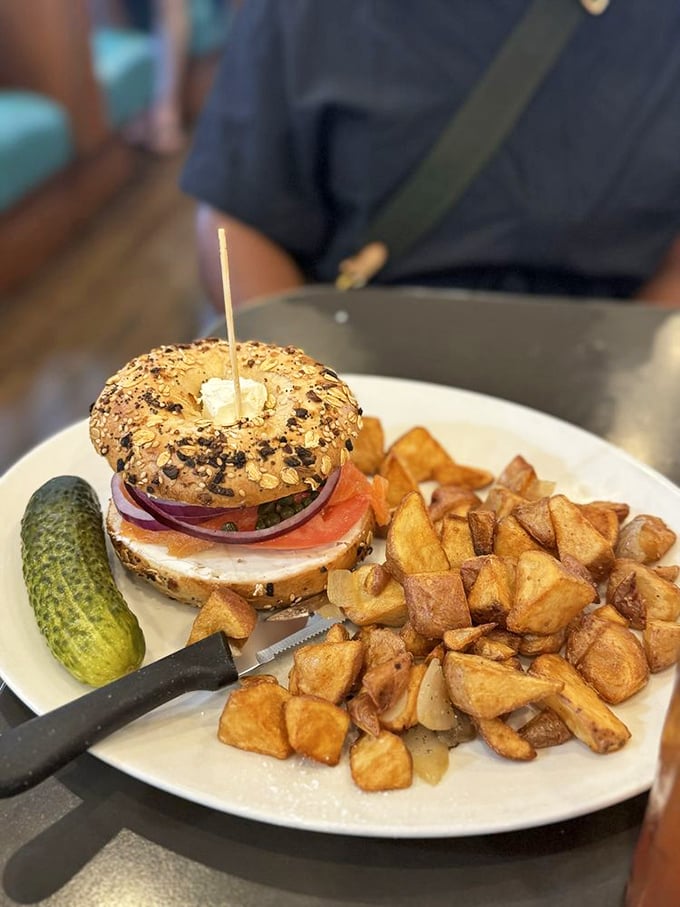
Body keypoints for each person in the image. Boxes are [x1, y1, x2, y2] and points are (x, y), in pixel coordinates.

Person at [180, 0, 680, 310]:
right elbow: (239, 214)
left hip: (613, 347)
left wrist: (636, 375)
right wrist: (294, 389)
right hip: (353, 341)